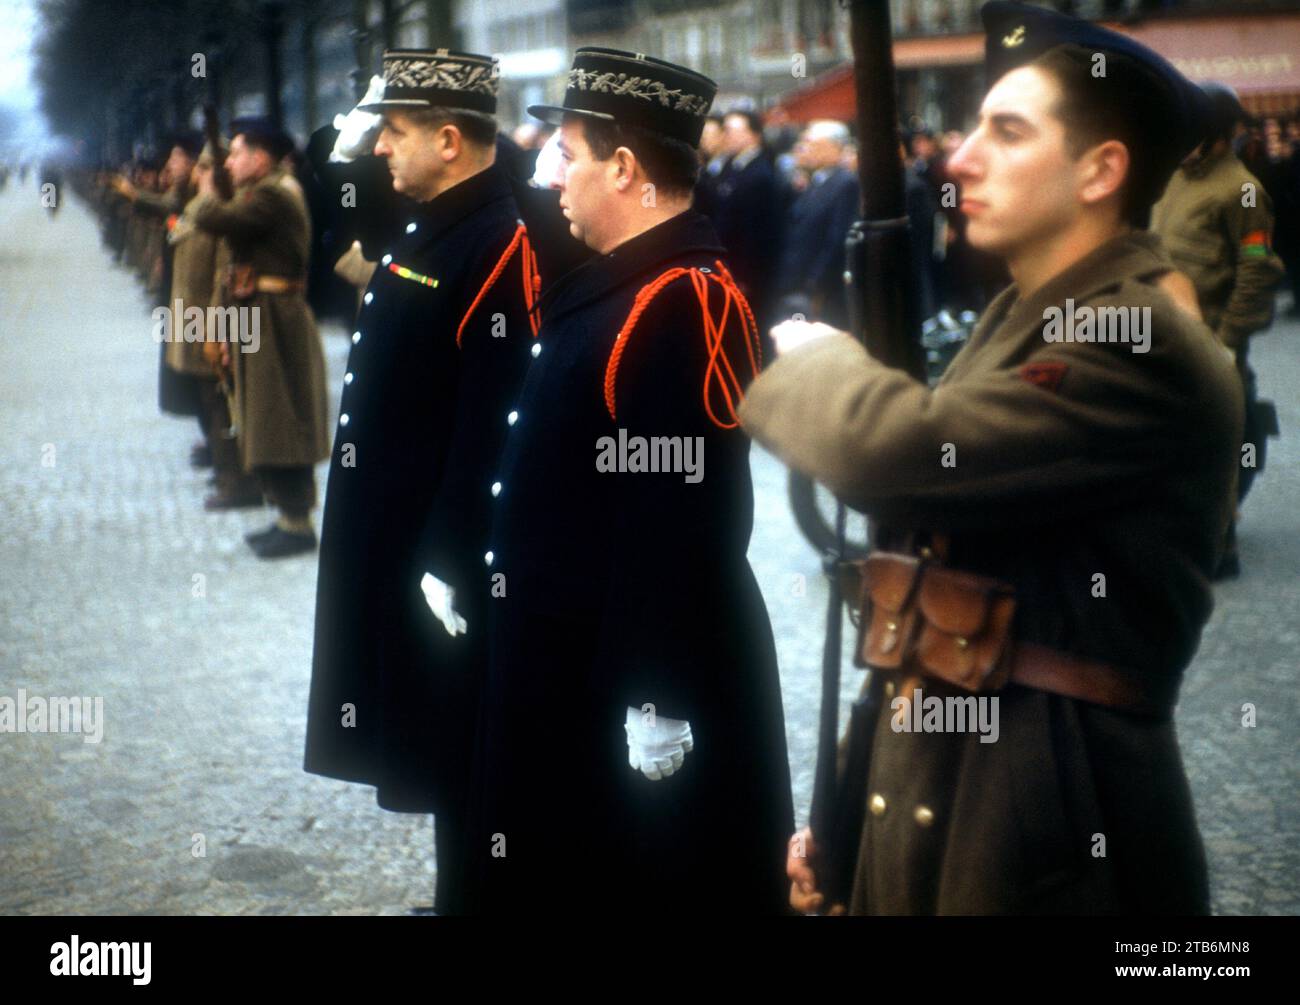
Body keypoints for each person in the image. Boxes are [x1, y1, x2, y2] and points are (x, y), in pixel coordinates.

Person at [741, 1, 1242, 915]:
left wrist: (819, 357)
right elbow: (926, 591)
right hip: (953, 783)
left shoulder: (1136, 337)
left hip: (1049, 823)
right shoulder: (1023, 317)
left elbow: (901, 452)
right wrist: (852, 827)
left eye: (1006, 133)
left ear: (1101, 171)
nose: (962, 157)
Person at [462, 46, 794, 915]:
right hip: (571, 659)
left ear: (623, 167)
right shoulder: (619, 281)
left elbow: (685, 519)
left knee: (655, 881)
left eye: (565, 155)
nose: (550, 176)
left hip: (632, 674)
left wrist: (658, 690)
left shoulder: (681, 298)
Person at [302, 49, 539, 916]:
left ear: (449, 139)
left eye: (396, 135)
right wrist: (368, 115)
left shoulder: (497, 241)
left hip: (436, 546)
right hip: (395, 530)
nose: (382, 152)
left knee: (459, 734)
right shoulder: (432, 220)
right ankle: (458, 896)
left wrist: (450, 548)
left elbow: (491, 420)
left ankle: (476, 900)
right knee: (436, 735)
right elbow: (340, 187)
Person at [1151, 82, 1285, 578]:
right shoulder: (1174, 178)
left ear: (1214, 134)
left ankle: (1219, 541)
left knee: (1214, 441)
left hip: (1212, 336)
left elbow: (1257, 269)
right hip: (1163, 333)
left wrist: (1229, 341)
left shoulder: (1243, 189)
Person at [192, 116, 331, 554]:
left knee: (279, 421)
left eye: (236, 153)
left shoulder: (273, 193)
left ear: (260, 156)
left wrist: (208, 190)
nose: (230, 162)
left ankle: (297, 524)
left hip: (274, 319)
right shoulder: (266, 190)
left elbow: (215, 218)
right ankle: (287, 516)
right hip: (259, 314)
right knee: (262, 418)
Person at [774, 120, 860, 329]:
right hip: (798, 279)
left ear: (833, 147)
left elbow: (837, 238)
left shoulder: (845, 183)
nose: (806, 149)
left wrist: (816, 283)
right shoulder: (817, 180)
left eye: (812, 144)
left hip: (820, 288)